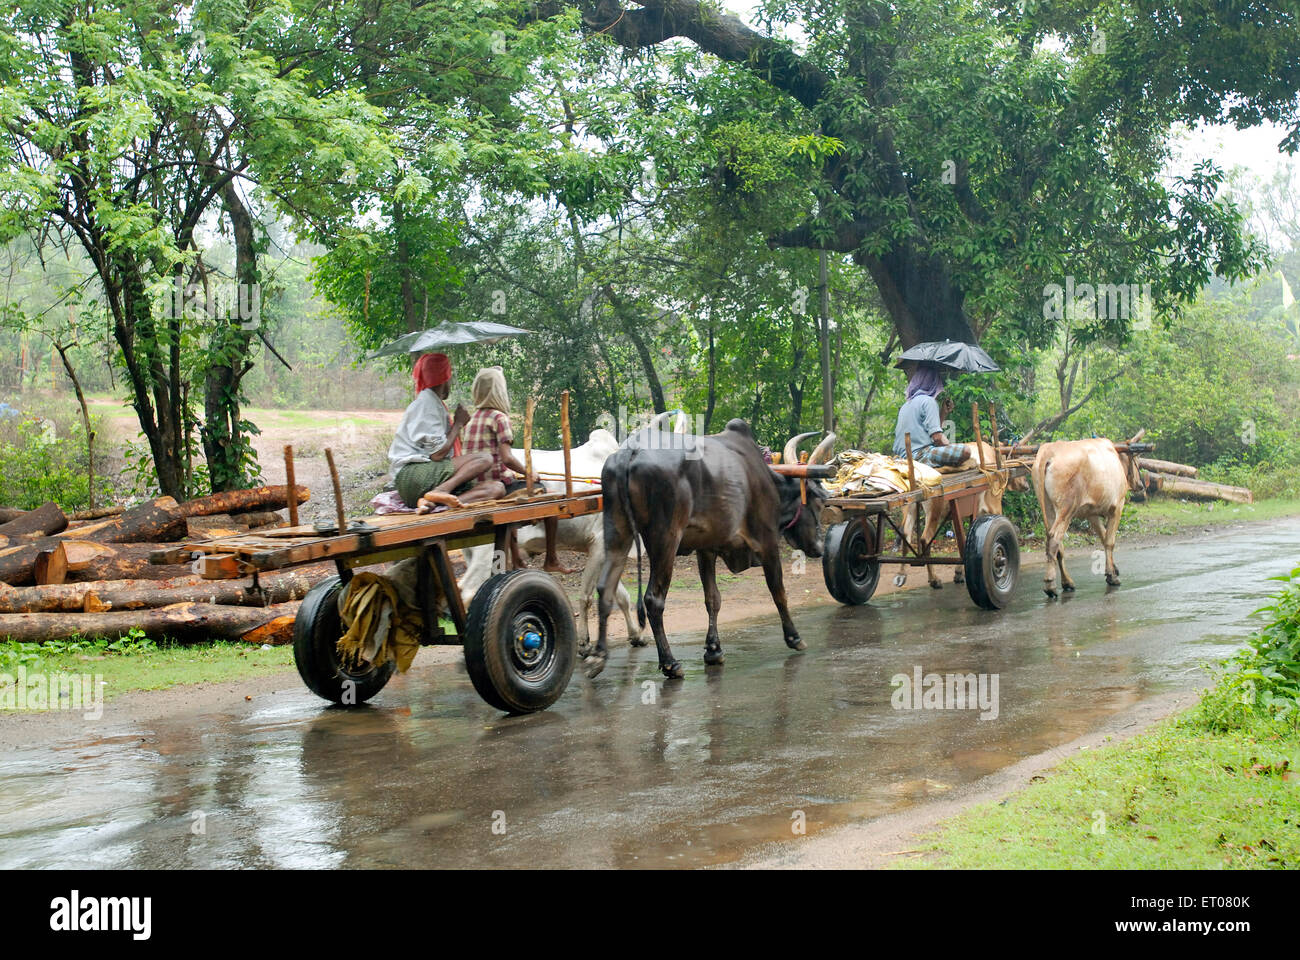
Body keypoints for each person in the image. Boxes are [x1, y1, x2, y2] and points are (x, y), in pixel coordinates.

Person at [462, 366, 572, 573]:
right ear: (500, 392)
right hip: (498, 487)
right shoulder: (499, 418)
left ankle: (517, 561)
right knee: (552, 496)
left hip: (476, 487)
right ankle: (551, 559)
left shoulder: (471, 420)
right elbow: (507, 458)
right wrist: (529, 472)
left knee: (512, 502)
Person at [388, 353, 504, 510]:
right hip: (412, 475)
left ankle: (439, 503)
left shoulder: (435, 404)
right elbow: (437, 454)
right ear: (444, 379)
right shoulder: (426, 404)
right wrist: (458, 424)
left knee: (497, 488)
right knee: (485, 458)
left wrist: (457, 425)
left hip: (428, 477)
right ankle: (441, 491)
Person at [892, 363, 972, 468]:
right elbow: (937, 438)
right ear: (934, 383)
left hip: (900, 458)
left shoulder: (906, 405)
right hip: (918, 456)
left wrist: (943, 413)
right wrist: (949, 446)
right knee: (965, 450)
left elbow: (931, 432)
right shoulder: (929, 401)